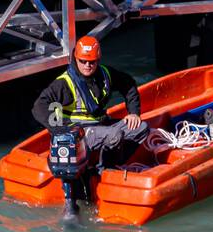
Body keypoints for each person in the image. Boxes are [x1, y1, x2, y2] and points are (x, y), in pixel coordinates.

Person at [32, 35, 148, 166]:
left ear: (98, 60)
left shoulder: (106, 74)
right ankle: (103, 170)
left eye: (92, 62)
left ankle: (114, 163)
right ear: (76, 58)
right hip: (79, 132)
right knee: (114, 135)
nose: (87, 65)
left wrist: (133, 112)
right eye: (82, 61)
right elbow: (39, 106)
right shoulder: (64, 83)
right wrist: (61, 129)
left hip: (102, 124)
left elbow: (128, 83)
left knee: (141, 127)